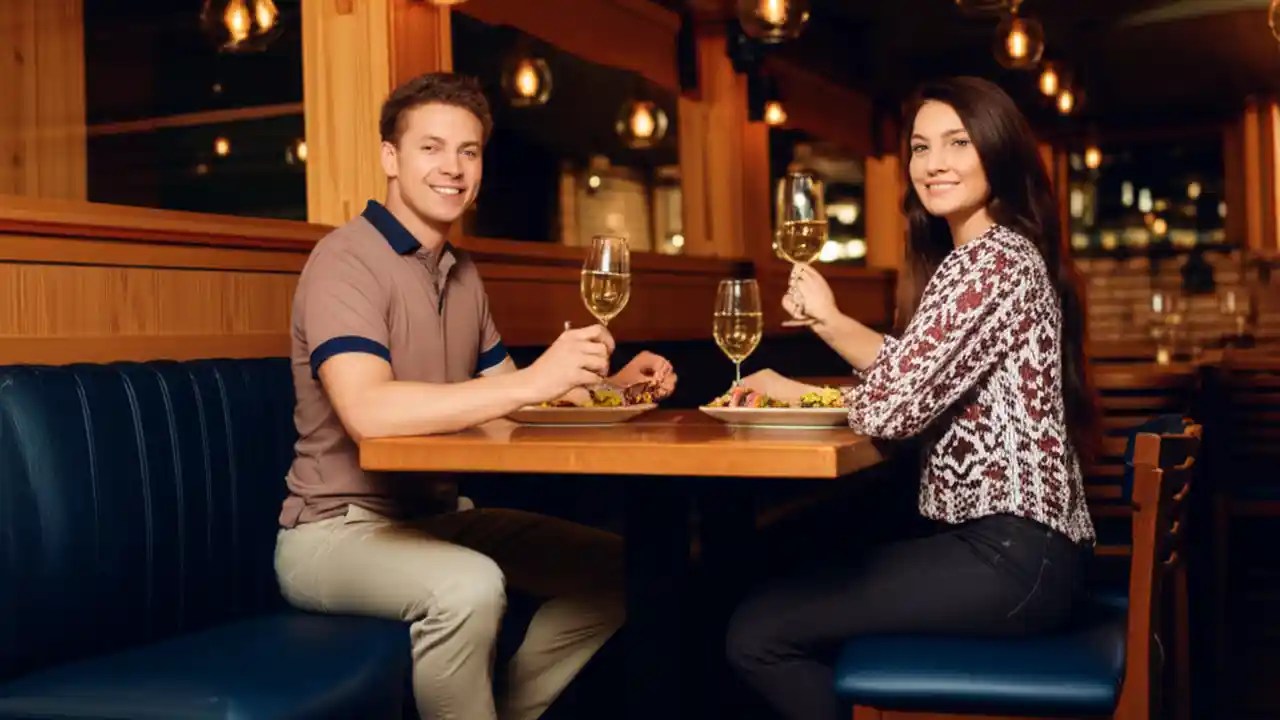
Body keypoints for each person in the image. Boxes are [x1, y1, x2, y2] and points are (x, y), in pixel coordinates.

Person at [274, 72, 677, 720]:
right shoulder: (345, 260)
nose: (453, 168)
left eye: (469, 151)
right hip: (334, 534)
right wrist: (534, 380)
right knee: (469, 586)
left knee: (625, 568)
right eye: (431, 147)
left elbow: (513, 399)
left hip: (438, 517)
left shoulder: (461, 273)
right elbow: (368, 411)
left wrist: (610, 389)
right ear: (390, 158)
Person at [724, 76, 1100, 720]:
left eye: (958, 143)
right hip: (1022, 553)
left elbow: (895, 408)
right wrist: (812, 359)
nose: (934, 163)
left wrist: (809, 383)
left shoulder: (992, 262)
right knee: (785, 575)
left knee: (757, 632)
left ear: (997, 151)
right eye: (921, 148)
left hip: (1012, 558)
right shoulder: (994, 255)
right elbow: (916, 371)